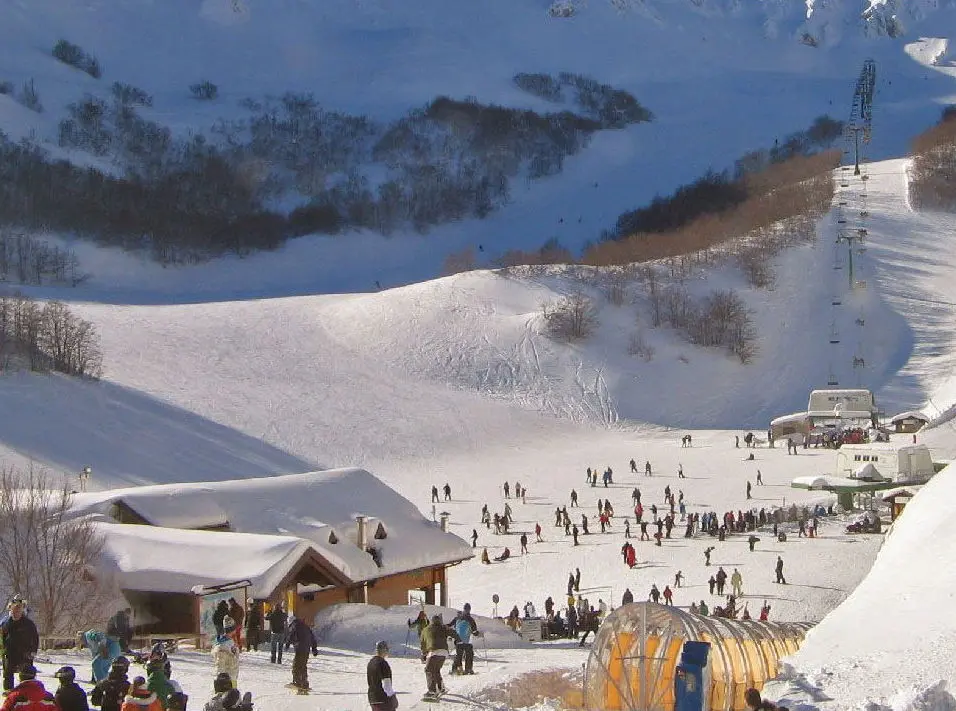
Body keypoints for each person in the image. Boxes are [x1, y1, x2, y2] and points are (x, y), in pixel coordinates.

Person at [1, 596, 39, 693]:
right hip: (9, 653)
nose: (16, 612)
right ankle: (9, 692)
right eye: (14, 609)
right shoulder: (5, 623)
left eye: (18, 610)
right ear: (10, 609)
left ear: (22, 610)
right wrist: (2, 651)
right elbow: (2, 638)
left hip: (25, 653)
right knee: (8, 674)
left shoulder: (28, 624)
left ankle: (27, 691)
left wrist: (33, 651)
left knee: (26, 673)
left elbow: (35, 638)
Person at [421, 615, 459, 699]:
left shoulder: (425, 629)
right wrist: (458, 640)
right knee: (436, 670)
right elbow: (453, 633)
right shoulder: (443, 627)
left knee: (429, 670)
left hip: (433, 652)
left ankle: (432, 691)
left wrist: (423, 654)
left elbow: (423, 643)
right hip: (444, 653)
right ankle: (441, 688)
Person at [287, 616, 318, 691]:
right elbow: (312, 637)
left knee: (296, 665)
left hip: (299, 648)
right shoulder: (306, 627)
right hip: (306, 649)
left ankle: (297, 682)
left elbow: (291, 634)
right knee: (303, 666)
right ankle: (304, 683)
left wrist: (288, 642)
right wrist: (314, 648)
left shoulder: (294, 625)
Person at [367, 641, 398, 711]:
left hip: (372, 698)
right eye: (387, 649)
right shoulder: (383, 664)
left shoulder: (371, 663)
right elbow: (387, 685)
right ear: (384, 650)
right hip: (383, 699)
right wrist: (393, 698)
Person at [450, 604, 480, 676]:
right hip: (468, 641)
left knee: (458, 655)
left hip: (458, 640)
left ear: (463, 609)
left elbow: (450, 625)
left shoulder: (457, 618)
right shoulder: (470, 619)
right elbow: (474, 631)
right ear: (469, 609)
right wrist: (477, 633)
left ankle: (456, 669)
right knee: (469, 655)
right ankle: (468, 669)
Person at [211, 617, 241, 685]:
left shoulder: (228, 642)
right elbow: (220, 665)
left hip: (231, 677)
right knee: (229, 695)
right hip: (225, 681)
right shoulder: (224, 645)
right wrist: (220, 679)